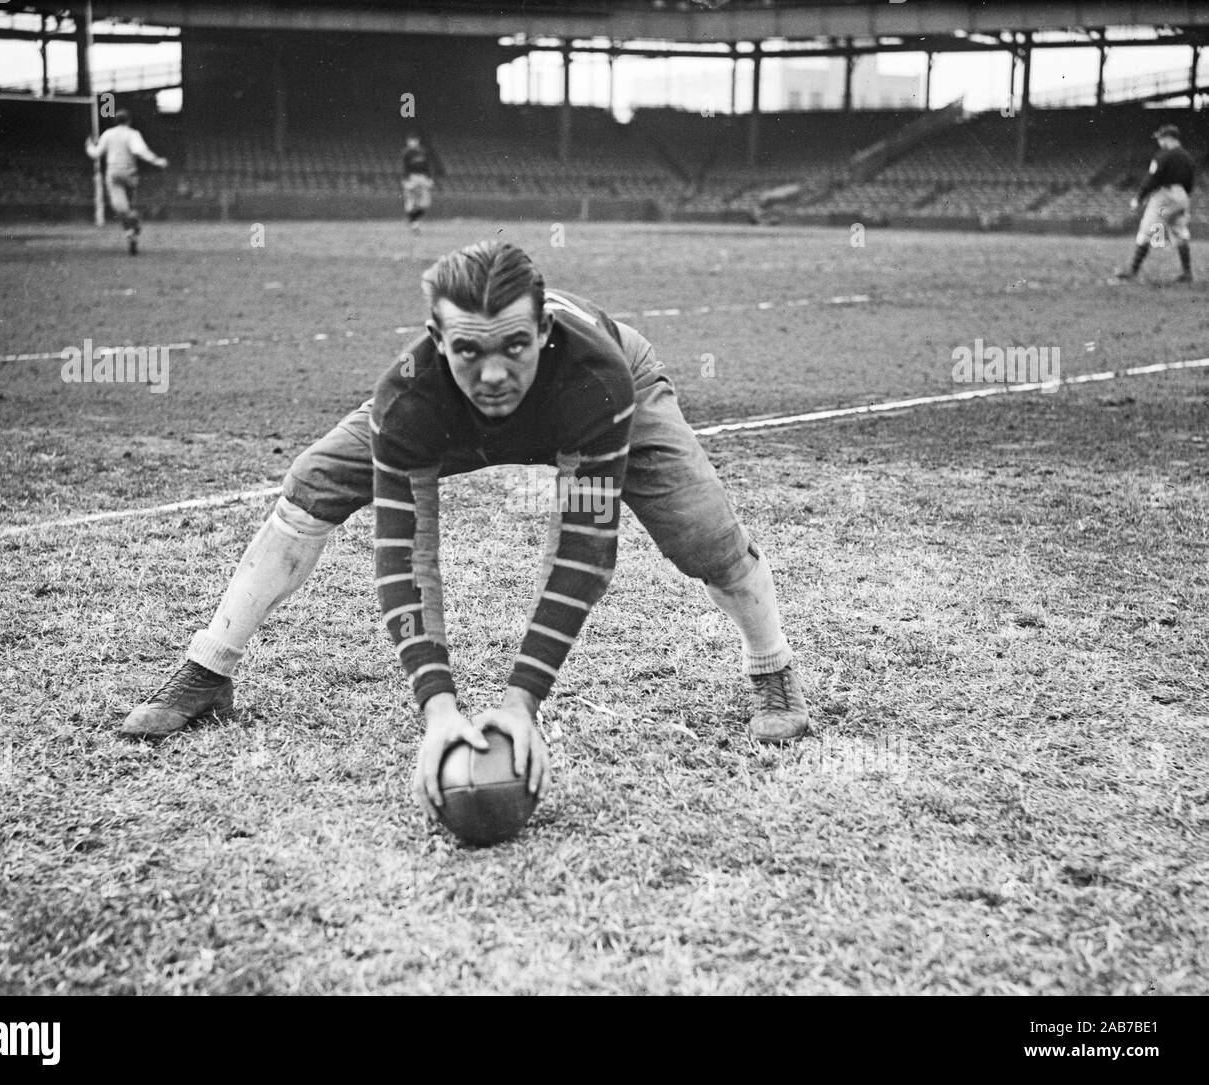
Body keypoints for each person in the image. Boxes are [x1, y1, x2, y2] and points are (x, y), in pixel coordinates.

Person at [120, 241, 811, 815]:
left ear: (543, 331)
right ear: (435, 342)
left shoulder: (595, 376)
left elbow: (582, 551)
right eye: (468, 350)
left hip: (597, 389)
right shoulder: (412, 395)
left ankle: (772, 666)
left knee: (703, 534)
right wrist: (439, 710)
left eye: (514, 345)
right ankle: (209, 667)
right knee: (312, 483)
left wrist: (520, 704)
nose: (493, 374)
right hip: (454, 423)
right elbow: (407, 560)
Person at [1115, 123, 1195, 283]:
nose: (1159, 141)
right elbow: (1190, 183)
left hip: (1164, 195)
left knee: (1146, 230)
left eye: (1160, 138)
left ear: (1168, 138)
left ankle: (1133, 270)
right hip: (1181, 197)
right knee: (1180, 232)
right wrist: (1181, 199)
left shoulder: (1163, 155)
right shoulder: (1188, 157)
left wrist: (1138, 198)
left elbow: (1152, 179)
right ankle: (1187, 273)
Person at [84, 110, 168, 255]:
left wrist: (88, 146)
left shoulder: (108, 134)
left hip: (114, 172)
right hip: (130, 174)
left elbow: (96, 154)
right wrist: (157, 161)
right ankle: (131, 236)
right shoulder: (132, 134)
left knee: (122, 209)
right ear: (128, 121)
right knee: (128, 206)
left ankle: (132, 223)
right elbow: (140, 151)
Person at [400, 133, 435, 233]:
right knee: (410, 203)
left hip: (422, 177)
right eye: (410, 140)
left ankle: (412, 220)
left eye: (414, 140)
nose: (412, 142)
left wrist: (430, 178)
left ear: (418, 140)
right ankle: (414, 224)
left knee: (425, 204)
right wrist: (405, 180)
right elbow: (404, 167)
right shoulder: (406, 153)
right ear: (407, 142)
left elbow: (428, 166)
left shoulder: (423, 152)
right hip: (412, 177)